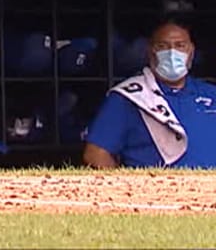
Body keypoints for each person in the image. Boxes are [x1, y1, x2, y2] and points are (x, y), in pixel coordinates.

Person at [84, 17, 216, 169]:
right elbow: (95, 154)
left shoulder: (211, 93)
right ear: (151, 51)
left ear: (191, 51)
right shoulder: (127, 98)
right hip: (158, 191)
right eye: (163, 46)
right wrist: (126, 189)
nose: (172, 53)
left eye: (180, 45)